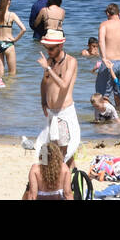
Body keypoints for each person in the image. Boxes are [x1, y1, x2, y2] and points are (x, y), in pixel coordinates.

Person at [35, 30, 79, 166]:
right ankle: (69, 179)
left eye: (51, 48)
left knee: (63, 152)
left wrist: (48, 68)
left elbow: (64, 85)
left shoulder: (70, 62)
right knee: (48, 149)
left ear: (60, 45)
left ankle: (67, 181)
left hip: (64, 113)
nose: (48, 51)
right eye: (46, 48)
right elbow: (44, 83)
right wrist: (43, 101)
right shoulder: (50, 62)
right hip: (51, 113)